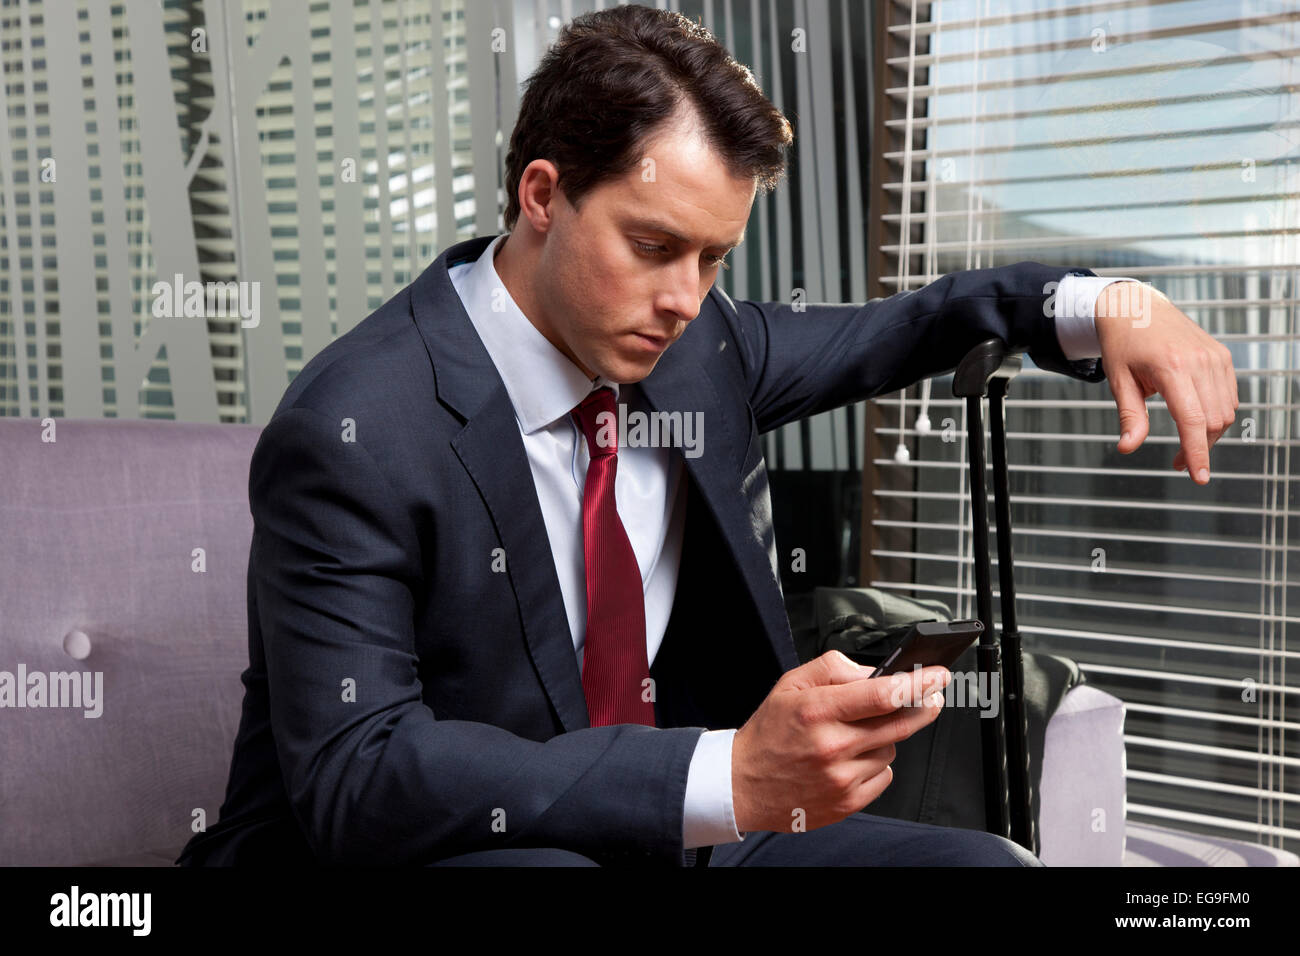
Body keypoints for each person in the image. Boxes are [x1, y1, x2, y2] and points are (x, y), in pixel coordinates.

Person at [177, 4, 1236, 868]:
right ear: (542, 194)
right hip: (422, 851)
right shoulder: (356, 425)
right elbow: (359, 774)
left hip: (674, 831)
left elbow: (905, 327)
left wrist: (1109, 305)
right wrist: (724, 776)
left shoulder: (692, 348)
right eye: (653, 246)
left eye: (714, 257)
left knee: (981, 868)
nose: (687, 298)